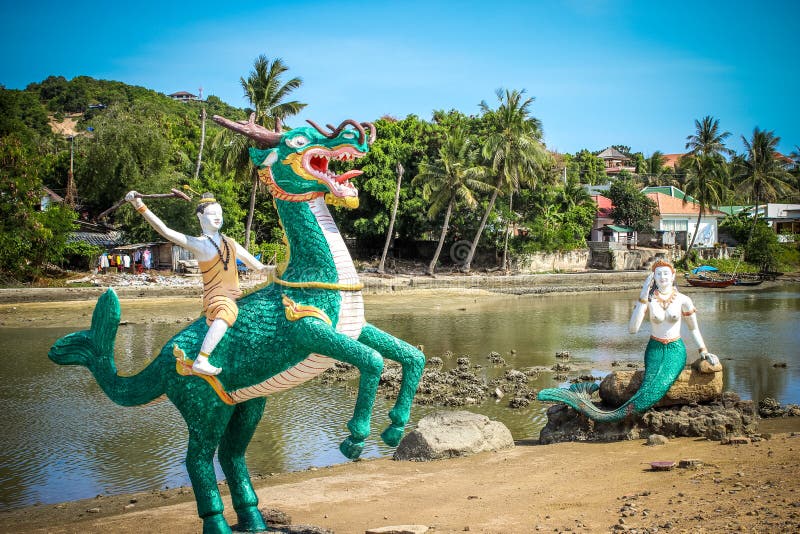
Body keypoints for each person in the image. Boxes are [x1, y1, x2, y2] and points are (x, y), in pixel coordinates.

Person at [537, 259, 720, 421]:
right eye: (658, 274)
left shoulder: (684, 300)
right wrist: (642, 297)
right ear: (653, 278)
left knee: (658, 385)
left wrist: (703, 351)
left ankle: (604, 410)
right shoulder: (649, 300)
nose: (663, 277)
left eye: (666, 274)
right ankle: (586, 403)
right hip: (654, 349)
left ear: (673, 276)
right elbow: (632, 329)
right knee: (649, 384)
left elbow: (693, 328)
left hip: (675, 349)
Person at [126, 191, 267, 375]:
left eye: (220, 214)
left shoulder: (230, 242)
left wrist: (283, 270)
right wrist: (139, 205)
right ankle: (202, 359)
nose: (218, 217)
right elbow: (165, 231)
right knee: (227, 311)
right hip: (217, 299)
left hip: (236, 295)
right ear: (200, 216)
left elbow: (257, 266)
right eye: (212, 214)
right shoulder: (199, 244)